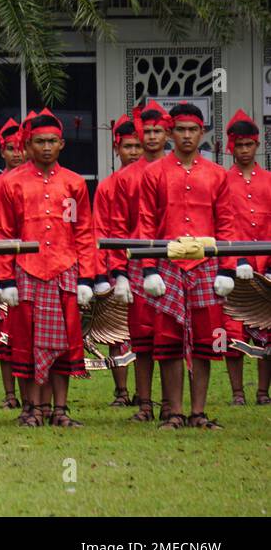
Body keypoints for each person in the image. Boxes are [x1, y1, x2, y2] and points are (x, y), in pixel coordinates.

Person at [0, 110, 98, 428]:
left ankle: (61, 410)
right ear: (28, 144)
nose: (47, 147)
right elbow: (3, 233)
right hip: (27, 269)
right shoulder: (11, 183)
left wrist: (88, 277)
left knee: (63, 342)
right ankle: (32, 409)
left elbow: (83, 231)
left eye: (52, 141)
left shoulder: (74, 183)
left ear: (62, 144)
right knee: (26, 343)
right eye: (40, 141)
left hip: (65, 269)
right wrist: (4, 278)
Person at [137, 102, 235, 430]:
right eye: (180, 129)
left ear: (203, 133)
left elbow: (227, 223)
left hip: (206, 264)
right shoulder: (154, 174)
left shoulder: (218, 175)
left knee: (207, 342)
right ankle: (175, 411)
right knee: (168, 340)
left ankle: (199, 412)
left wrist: (227, 269)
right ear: (170, 133)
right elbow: (146, 223)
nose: (187, 136)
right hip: (168, 263)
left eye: (193, 130)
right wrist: (149, 268)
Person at [108, 100, 171, 420]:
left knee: (172, 335)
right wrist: (118, 271)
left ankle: (172, 405)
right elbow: (118, 226)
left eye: (157, 131)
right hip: (137, 261)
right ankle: (144, 404)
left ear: (166, 133)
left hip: (174, 260)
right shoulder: (125, 178)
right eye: (145, 132)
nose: (150, 137)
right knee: (142, 337)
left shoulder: (177, 170)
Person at [93, 114, 145, 407]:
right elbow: (99, 231)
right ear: (117, 148)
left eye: (138, 145)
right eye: (128, 146)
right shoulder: (108, 186)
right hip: (116, 265)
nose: (134, 152)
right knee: (117, 333)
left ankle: (144, 392)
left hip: (147, 265)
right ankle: (122, 391)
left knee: (144, 333)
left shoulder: (154, 179)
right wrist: (101, 274)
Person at [221, 110, 271, 406]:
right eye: (238, 146)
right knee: (233, 331)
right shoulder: (223, 181)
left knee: (268, 328)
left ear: (257, 145)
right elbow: (222, 224)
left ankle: (263, 392)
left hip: (265, 267)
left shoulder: (269, 181)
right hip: (235, 268)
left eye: (248, 145)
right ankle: (237, 392)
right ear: (231, 147)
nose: (243, 151)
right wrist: (235, 259)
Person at [0, 117, 25, 408]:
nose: (17, 153)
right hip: (1, 270)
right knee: (3, 333)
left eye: (21, 147)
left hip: (32, 267)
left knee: (30, 332)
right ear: (3, 151)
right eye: (11, 148)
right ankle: (9, 394)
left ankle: (33, 396)